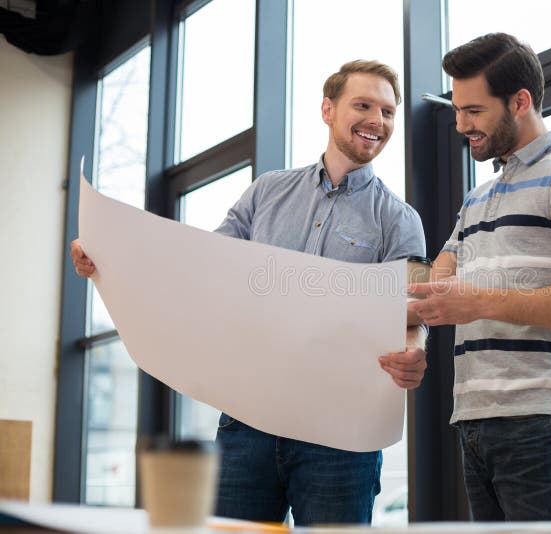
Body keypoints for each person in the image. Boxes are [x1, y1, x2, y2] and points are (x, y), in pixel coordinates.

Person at [71, 60, 428, 526]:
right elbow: (202, 265)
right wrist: (108, 256)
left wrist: (416, 352)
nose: (377, 121)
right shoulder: (266, 193)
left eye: (387, 112)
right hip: (246, 426)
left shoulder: (400, 221)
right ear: (327, 109)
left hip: (340, 439)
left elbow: (415, 313)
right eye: (363, 105)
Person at [409, 33, 551, 521]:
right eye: (456, 110)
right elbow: (433, 286)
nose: (460, 124)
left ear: (520, 101)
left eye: (474, 111)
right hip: (476, 421)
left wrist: (482, 302)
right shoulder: (478, 198)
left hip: (545, 421)